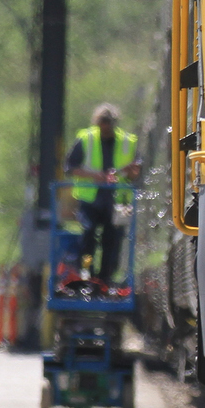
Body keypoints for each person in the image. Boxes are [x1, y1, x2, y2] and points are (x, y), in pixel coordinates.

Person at [65, 103, 140, 281]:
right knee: (88, 235)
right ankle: (86, 273)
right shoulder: (86, 139)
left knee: (112, 240)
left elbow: (136, 171)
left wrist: (130, 172)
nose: (106, 128)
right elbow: (70, 168)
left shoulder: (127, 142)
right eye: (102, 124)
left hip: (116, 200)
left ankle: (105, 278)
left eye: (109, 124)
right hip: (90, 200)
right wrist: (95, 176)